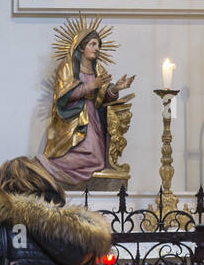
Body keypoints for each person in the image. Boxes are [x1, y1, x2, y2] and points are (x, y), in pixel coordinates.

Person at [40, 30, 136, 184]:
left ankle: (52, 167)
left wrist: (116, 88)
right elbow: (62, 97)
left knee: (97, 159)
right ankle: (49, 166)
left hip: (93, 118)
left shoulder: (99, 69)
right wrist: (90, 86)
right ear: (81, 47)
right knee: (92, 156)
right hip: (72, 121)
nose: (97, 48)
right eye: (93, 44)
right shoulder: (67, 67)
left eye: (98, 45)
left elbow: (103, 96)